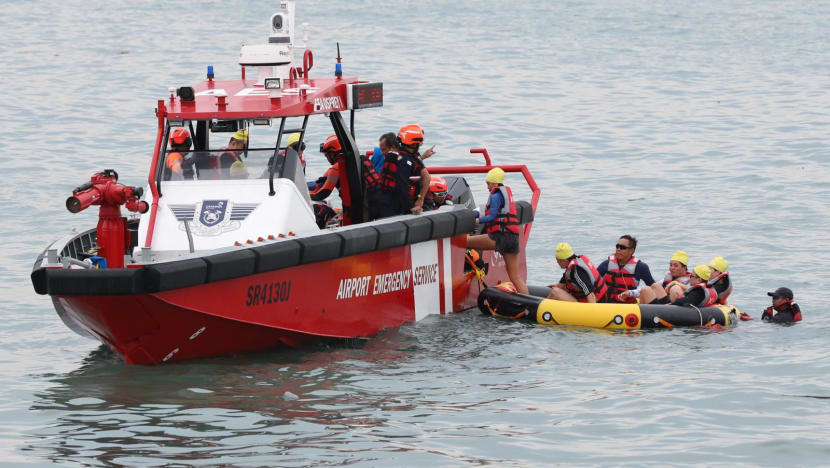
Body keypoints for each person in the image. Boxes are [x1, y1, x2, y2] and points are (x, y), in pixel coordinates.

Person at [466, 167, 528, 294]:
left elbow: (491, 217)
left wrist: (476, 221)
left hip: (500, 238)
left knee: (465, 241)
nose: (487, 187)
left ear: (494, 183)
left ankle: (469, 266)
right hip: (513, 239)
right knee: (515, 277)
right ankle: (530, 304)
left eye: (488, 184)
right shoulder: (506, 194)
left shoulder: (495, 196)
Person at [376, 124, 431, 217]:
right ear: (414, 144)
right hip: (395, 208)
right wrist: (414, 205)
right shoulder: (407, 160)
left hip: (385, 203)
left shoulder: (396, 156)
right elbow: (403, 186)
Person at [596, 235, 655, 303]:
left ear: (631, 251)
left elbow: (652, 288)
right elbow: (592, 282)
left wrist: (633, 293)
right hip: (607, 303)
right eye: (617, 246)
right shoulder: (606, 264)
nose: (618, 249)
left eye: (622, 247)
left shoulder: (641, 267)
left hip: (628, 305)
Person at [309, 135, 342, 202]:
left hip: (352, 211)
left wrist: (304, 196)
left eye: (326, 155)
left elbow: (322, 194)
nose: (326, 158)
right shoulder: (352, 162)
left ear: (332, 153)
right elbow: (320, 182)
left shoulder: (337, 168)